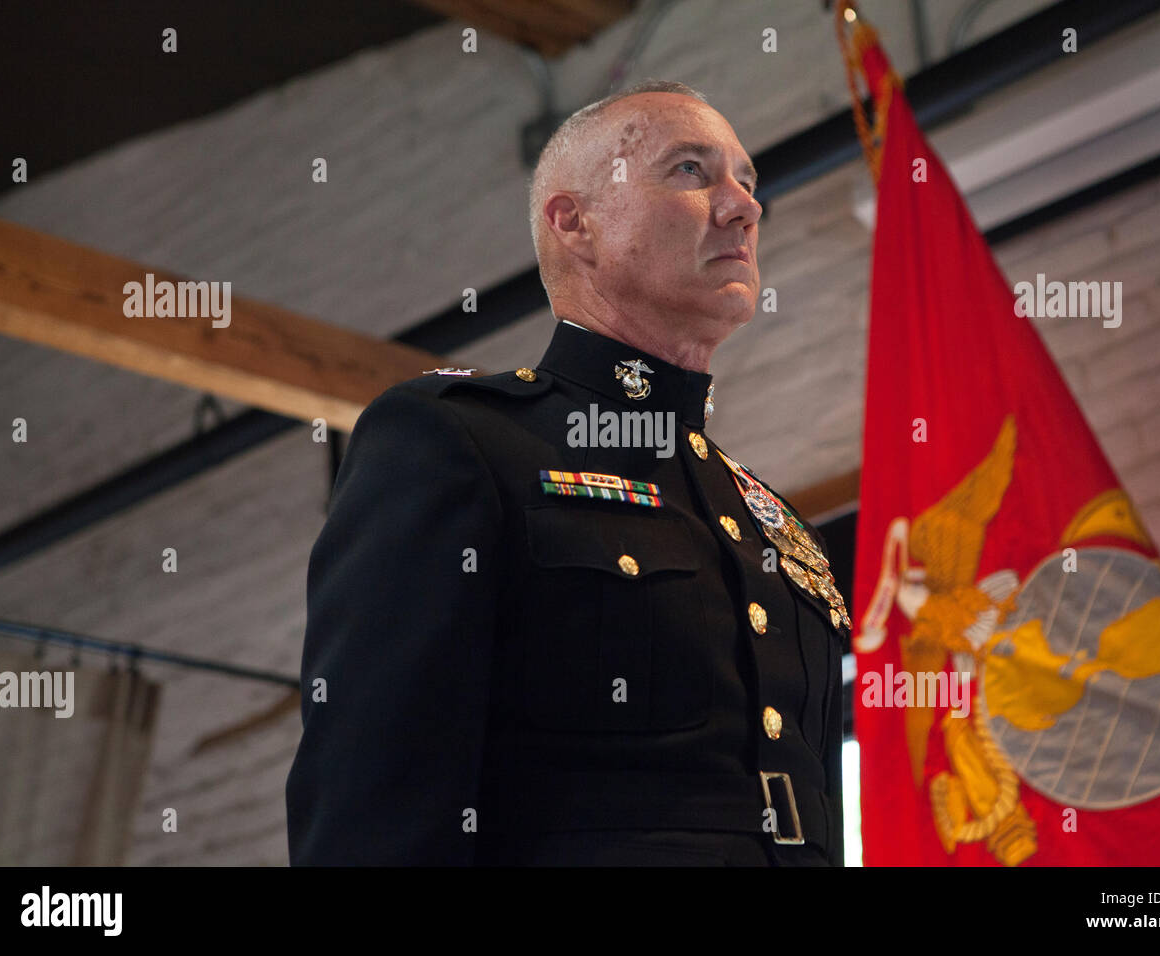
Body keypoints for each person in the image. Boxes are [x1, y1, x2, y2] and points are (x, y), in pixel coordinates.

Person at [286, 79, 848, 866]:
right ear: (574, 221)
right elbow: (371, 807)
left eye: (747, 181)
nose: (742, 206)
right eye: (691, 171)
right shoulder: (461, 442)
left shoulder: (772, 523)